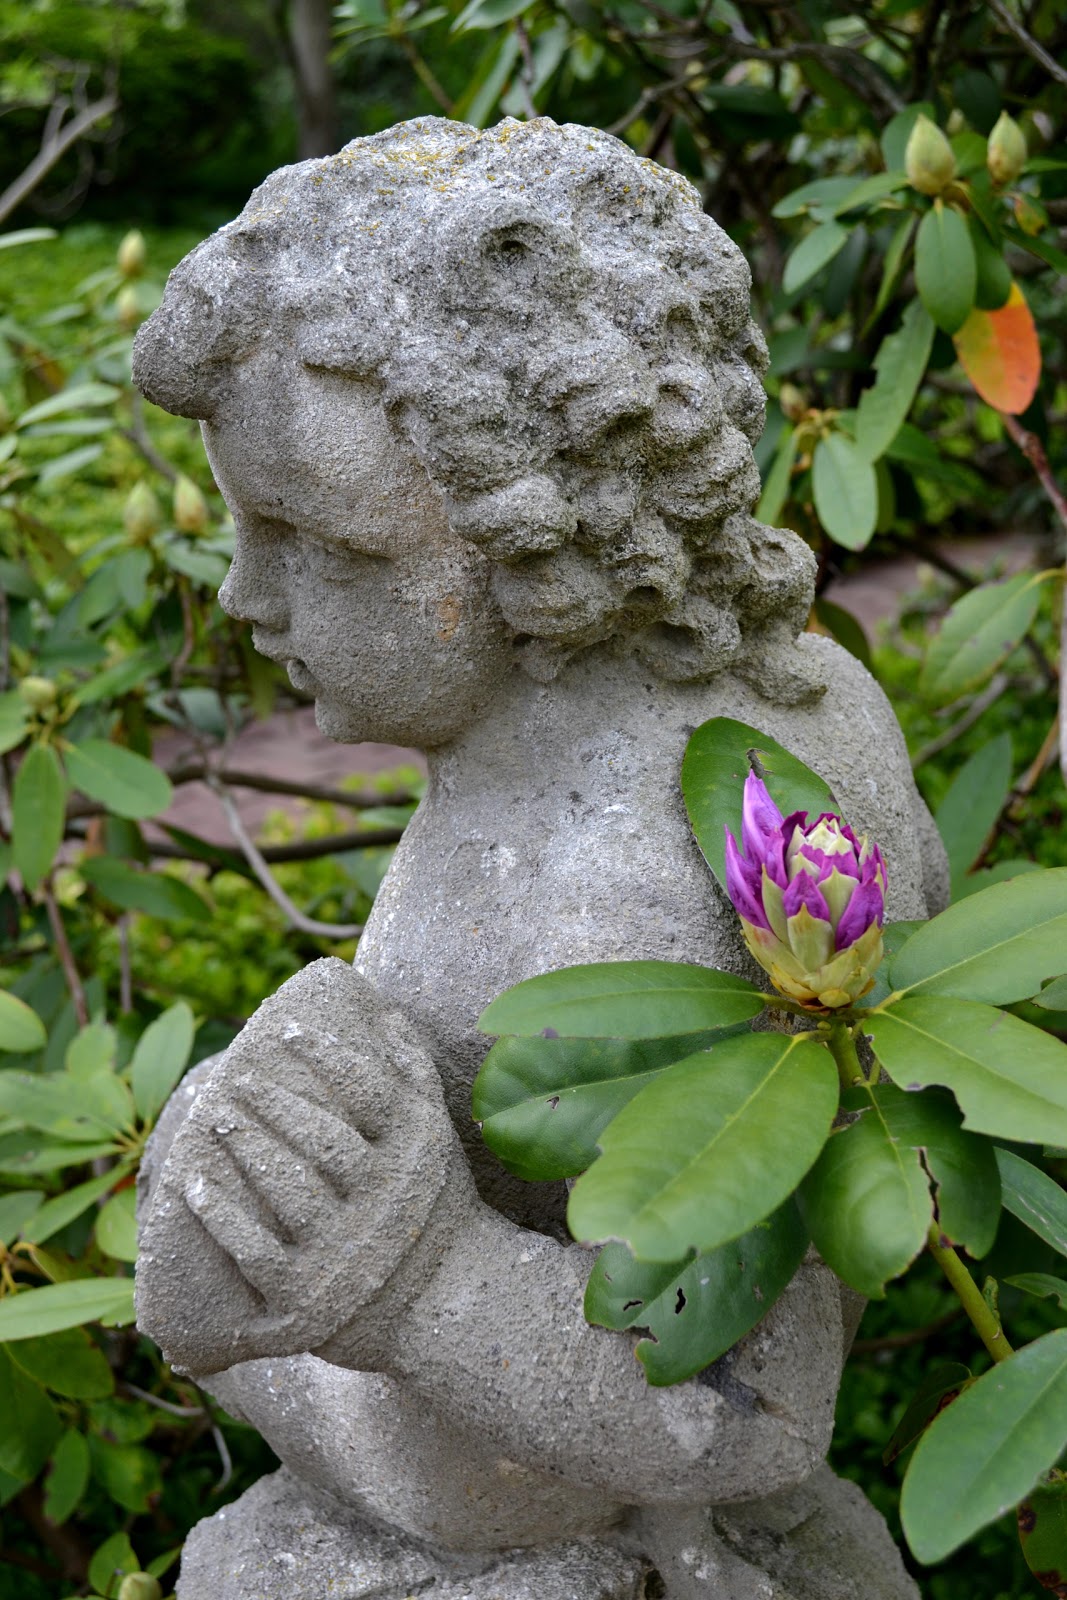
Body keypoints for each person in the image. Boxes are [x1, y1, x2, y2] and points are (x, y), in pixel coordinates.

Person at [134, 116, 935, 1599]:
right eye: (243, 527)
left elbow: (748, 1413)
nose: (246, 594)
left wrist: (412, 1282)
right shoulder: (767, 695)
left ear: (541, 543)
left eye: (326, 547)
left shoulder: (655, 872)